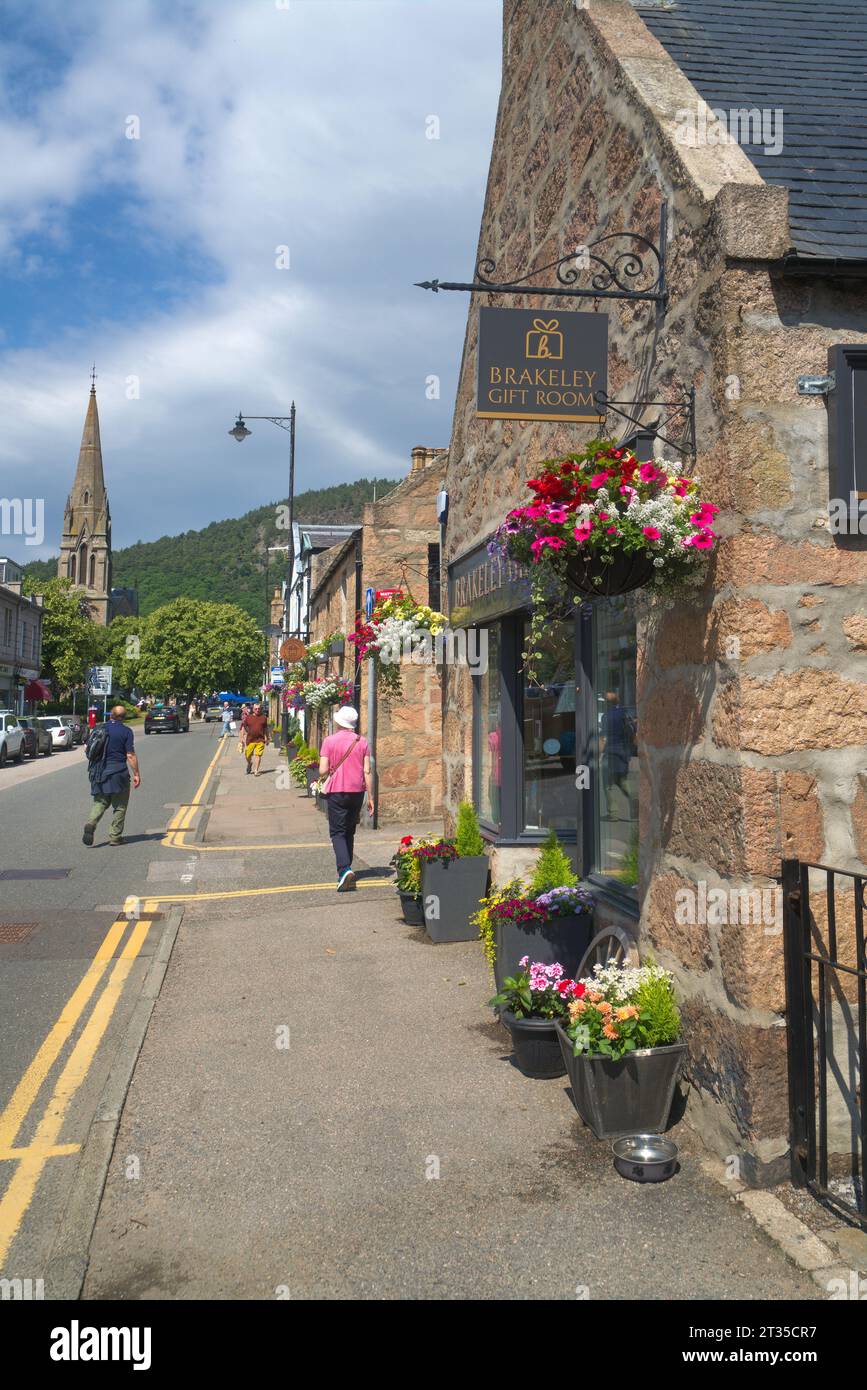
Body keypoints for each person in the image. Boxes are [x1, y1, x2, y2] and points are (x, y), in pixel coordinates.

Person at [318, 706, 374, 892]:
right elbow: (367, 770)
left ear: (339, 722)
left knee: (337, 832)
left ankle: (344, 870)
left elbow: (323, 770)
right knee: (349, 830)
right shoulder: (362, 741)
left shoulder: (329, 741)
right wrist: (371, 797)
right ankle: (347, 869)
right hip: (357, 791)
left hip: (337, 791)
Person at [82, 705, 140, 847]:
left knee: (100, 802)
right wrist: (136, 774)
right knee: (120, 806)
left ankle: (91, 823)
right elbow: (130, 755)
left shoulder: (99, 728)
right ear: (124, 717)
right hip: (118, 772)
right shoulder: (126, 731)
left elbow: (87, 748)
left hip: (98, 772)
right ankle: (115, 837)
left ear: (110, 716)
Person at [243, 701, 270, 776]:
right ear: (253, 709)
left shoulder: (264, 718)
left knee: (258, 755)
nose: (257, 710)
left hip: (260, 740)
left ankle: (256, 771)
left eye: (259, 709)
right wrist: (241, 739)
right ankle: (249, 763)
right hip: (250, 740)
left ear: (261, 709)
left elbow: (266, 729)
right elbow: (243, 727)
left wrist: (267, 738)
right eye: (255, 709)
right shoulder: (248, 717)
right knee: (247, 755)